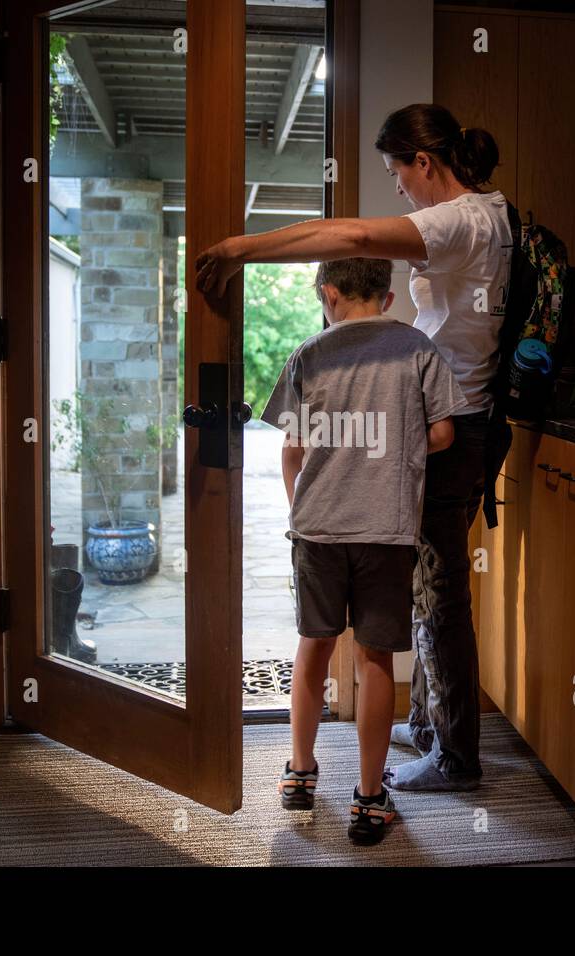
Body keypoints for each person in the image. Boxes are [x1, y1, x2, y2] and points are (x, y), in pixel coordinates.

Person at [198, 103, 510, 792]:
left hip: (455, 426)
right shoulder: (483, 218)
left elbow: (354, 233)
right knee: (425, 592)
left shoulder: (459, 219)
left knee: (440, 596)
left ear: (422, 161)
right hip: (461, 422)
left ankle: (455, 756)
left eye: (398, 173)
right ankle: (428, 726)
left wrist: (240, 249)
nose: (399, 189)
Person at [264, 257, 463, 844]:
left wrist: (299, 512)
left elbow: (292, 449)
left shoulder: (309, 353)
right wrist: (398, 438)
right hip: (386, 529)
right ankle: (371, 799)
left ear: (328, 294)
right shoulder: (416, 348)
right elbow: (444, 433)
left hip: (318, 529)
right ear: (388, 296)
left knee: (314, 646)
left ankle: (300, 774)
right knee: (375, 659)